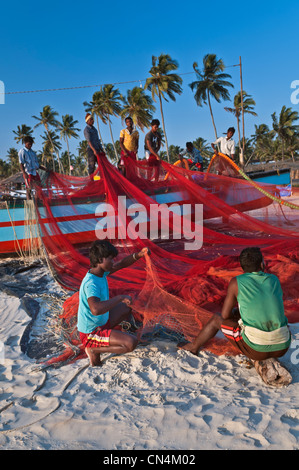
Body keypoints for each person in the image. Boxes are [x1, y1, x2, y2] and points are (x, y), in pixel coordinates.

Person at [178, 247, 291, 384]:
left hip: (256, 349)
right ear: (262, 264)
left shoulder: (236, 282)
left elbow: (225, 315)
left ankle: (194, 347)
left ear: (242, 267)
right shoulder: (273, 279)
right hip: (283, 345)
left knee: (216, 319)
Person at [77, 240, 150, 367]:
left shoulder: (100, 272)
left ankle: (106, 337)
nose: (112, 262)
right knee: (131, 343)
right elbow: (95, 309)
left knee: (126, 307)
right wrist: (120, 297)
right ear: (100, 259)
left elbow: (121, 264)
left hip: (101, 322)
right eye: (110, 259)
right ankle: (93, 349)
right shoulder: (91, 283)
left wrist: (139, 255)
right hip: (91, 333)